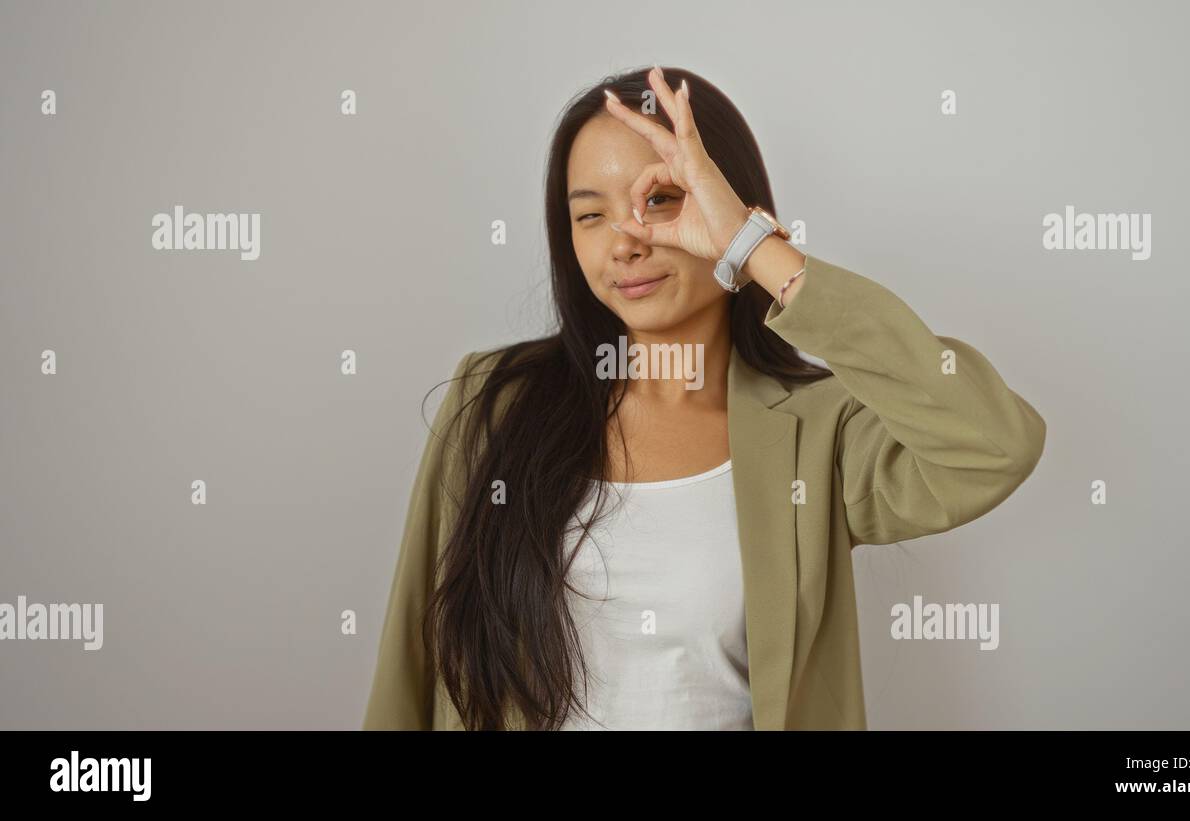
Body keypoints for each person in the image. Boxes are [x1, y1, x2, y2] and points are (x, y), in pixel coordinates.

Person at [363, 65, 1046, 731]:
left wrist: (754, 249)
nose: (626, 241)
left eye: (660, 199)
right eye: (590, 215)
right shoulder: (493, 404)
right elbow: (411, 662)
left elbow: (995, 444)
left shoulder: (815, 433)